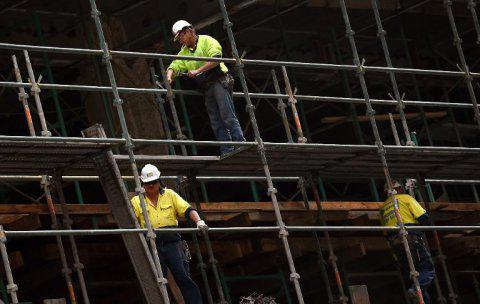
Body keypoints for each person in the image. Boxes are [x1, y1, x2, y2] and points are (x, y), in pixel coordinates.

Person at [131, 164, 207, 304]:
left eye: (154, 182)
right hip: (152, 244)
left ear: (159, 181)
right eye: (147, 183)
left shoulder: (170, 194)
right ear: (142, 183)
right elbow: (130, 223)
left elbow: (187, 209)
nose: (151, 186)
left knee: (183, 278)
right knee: (157, 282)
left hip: (173, 244)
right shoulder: (136, 201)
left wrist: (199, 221)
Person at [166, 20, 245, 155]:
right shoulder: (184, 52)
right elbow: (175, 65)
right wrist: (169, 76)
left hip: (219, 81)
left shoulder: (207, 40)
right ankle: (227, 149)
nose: (180, 40)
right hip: (207, 87)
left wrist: (197, 71)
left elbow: (216, 59)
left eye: (181, 36)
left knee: (227, 115)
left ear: (189, 31)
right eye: (179, 38)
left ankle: (240, 143)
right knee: (215, 120)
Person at [379, 180, 435, 304]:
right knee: (427, 269)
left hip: (396, 244)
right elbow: (423, 217)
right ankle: (415, 290)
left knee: (413, 275)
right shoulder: (405, 198)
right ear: (399, 189)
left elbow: (385, 233)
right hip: (411, 239)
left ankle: (420, 298)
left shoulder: (383, 208)